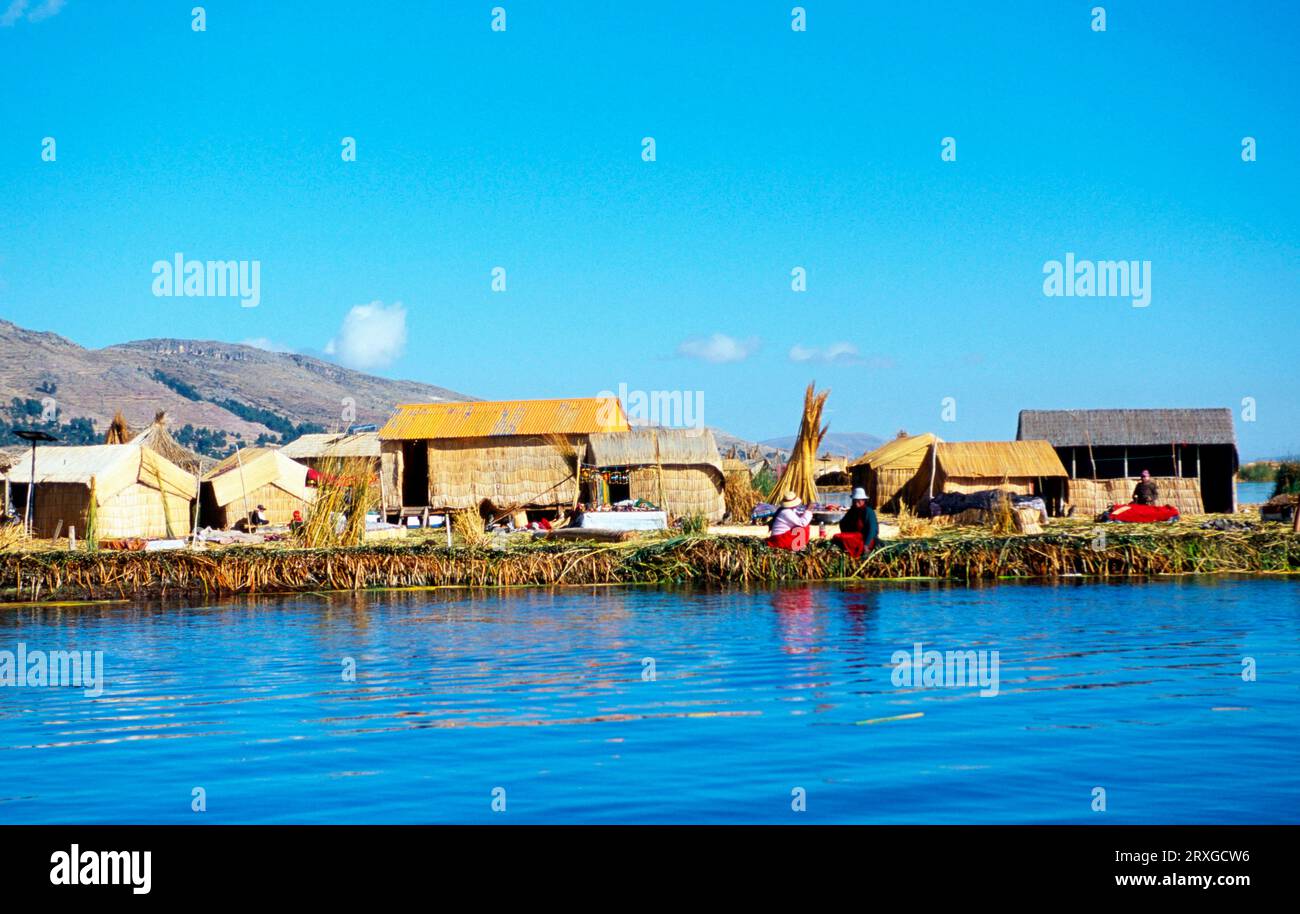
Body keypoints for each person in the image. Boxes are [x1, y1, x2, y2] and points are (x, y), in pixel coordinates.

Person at [833, 487, 878, 558]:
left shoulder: (868, 511)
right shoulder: (852, 510)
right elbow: (843, 522)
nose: (856, 502)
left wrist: (866, 545)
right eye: (855, 500)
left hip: (866, 539)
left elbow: (872, 530)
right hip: (855, 536)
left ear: (864, 500)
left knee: (840, 537)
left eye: (859, 500)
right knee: (837, 536)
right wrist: (847, 532)